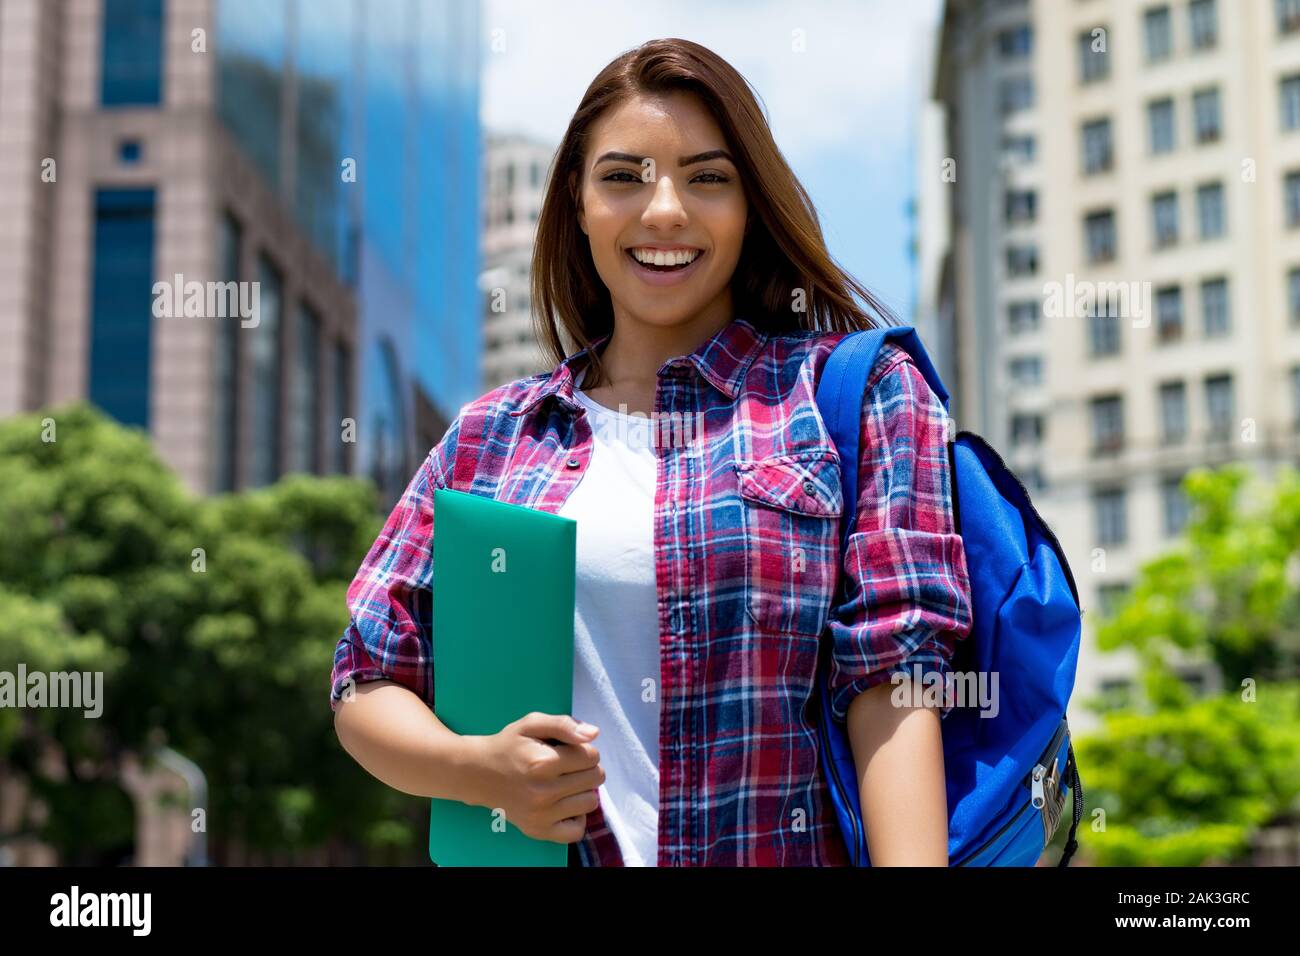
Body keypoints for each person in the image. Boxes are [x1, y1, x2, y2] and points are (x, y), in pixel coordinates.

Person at [330, 37, 972, 867]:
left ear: (750, 204)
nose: (664, 210)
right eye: (623, 176)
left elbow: (896, 680)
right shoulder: (492, 434)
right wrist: (478, 771)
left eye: (707, 177)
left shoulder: (858, 393)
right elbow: (366, 677)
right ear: (580, 201)